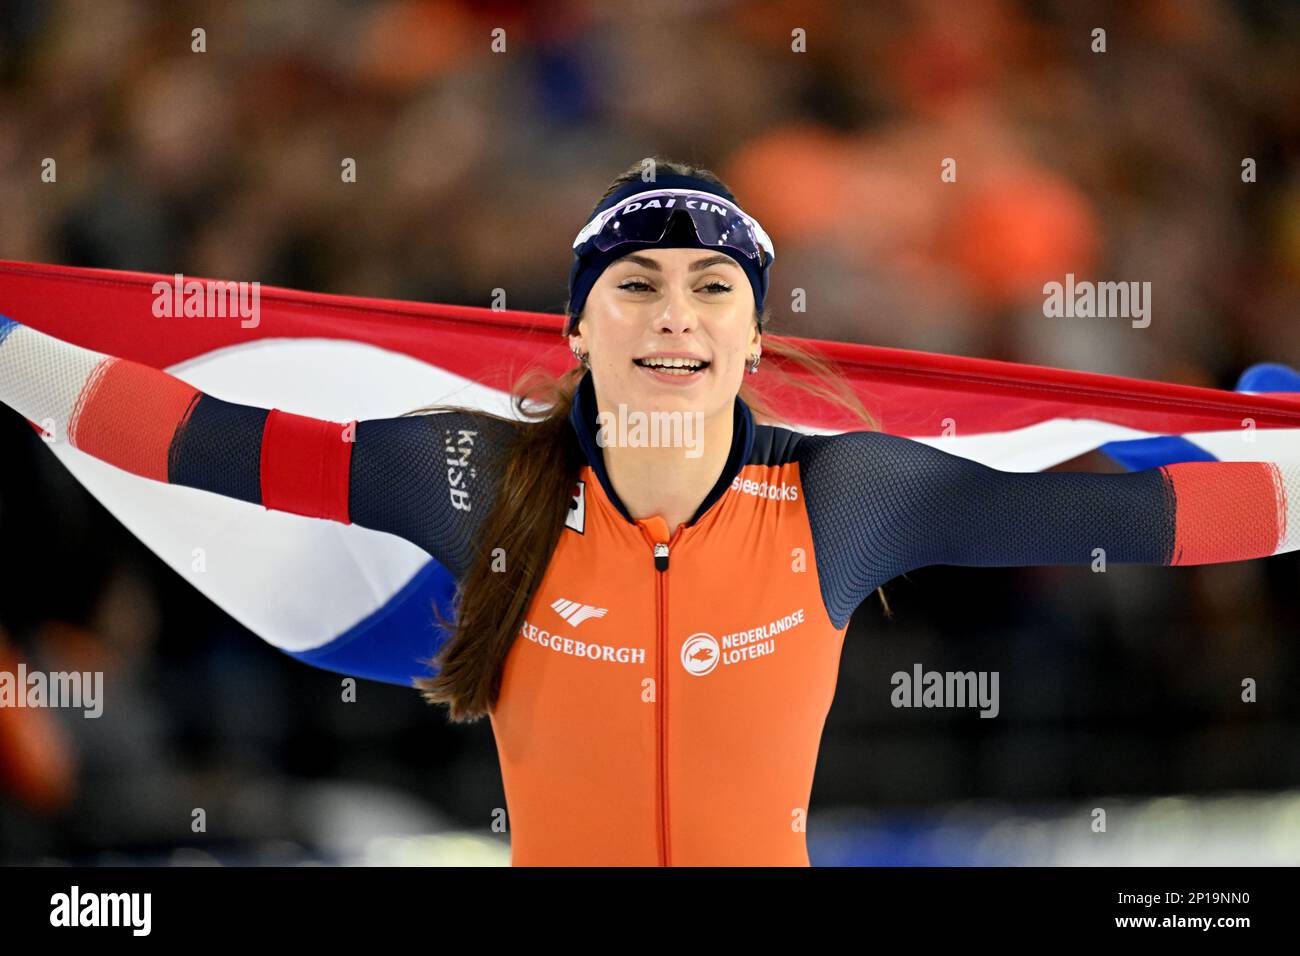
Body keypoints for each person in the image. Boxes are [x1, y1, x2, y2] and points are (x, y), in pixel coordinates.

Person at [1, 158, 1297, 866]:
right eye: (637, 283)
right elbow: (197, 439)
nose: (674, 310)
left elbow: (1145, 525)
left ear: (751, 335)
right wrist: (11, 352)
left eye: (711, 287)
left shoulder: (848, 494)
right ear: (577, 326)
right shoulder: (471, 477)